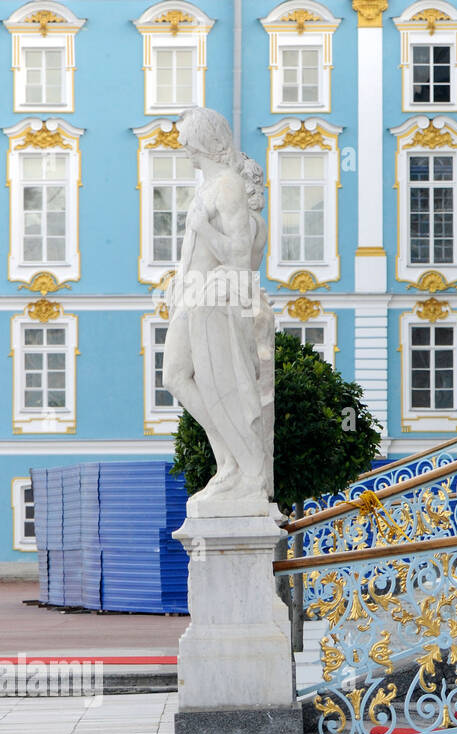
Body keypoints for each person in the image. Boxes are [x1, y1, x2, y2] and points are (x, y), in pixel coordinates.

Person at [161, 107, 274, 509]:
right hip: (192, 296)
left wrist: (204, 229)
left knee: (217, 383)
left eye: (187, 142)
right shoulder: (207, 187)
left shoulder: (226, 186)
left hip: (213, 301)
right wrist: (178, 280)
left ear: (204, 142)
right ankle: (228, 460)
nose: (183, 149)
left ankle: (244, 467)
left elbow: (241, 256)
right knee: (175, 376)